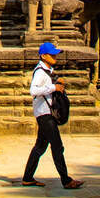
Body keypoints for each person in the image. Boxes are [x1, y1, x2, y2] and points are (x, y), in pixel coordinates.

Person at [22, 41, 83, 189]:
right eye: (52, 54)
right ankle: (66, 180)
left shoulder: (47, 71)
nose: (55, 56)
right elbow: (33, 91)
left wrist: (56, 84)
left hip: (45, 113)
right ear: (43, 56)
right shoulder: (40, 72)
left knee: (40, 146)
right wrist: (53, 87)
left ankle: (28, 178)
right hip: (44, 114)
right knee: (57, 146)